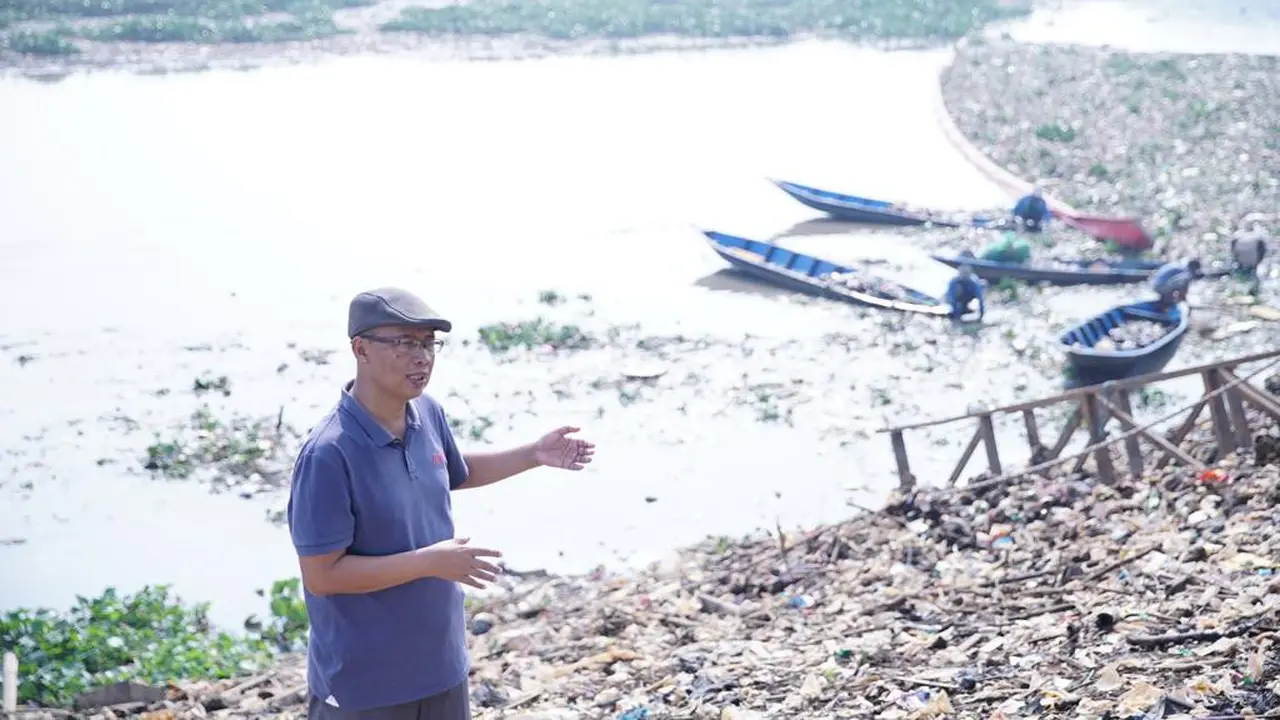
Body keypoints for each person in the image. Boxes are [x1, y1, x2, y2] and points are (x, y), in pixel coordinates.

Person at [287, 287, 596, 720]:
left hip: (441, 667)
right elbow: (322, 575)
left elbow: (452, 470)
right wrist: (429, 562)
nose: (422, 357)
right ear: (360, 349)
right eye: (404, 343)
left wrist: (532, 455)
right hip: (365, 684)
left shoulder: (425, 412)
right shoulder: (328, 454)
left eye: (429, 343)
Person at [1231, 225, 1269, 297]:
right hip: (1253, 263)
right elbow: (1263, 251)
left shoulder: (1237, 236)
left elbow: (1233, 251)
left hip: (1242, 263)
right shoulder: (1259, 235)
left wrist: (1238, 261)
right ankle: (1254, 294)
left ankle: (1241, 293)